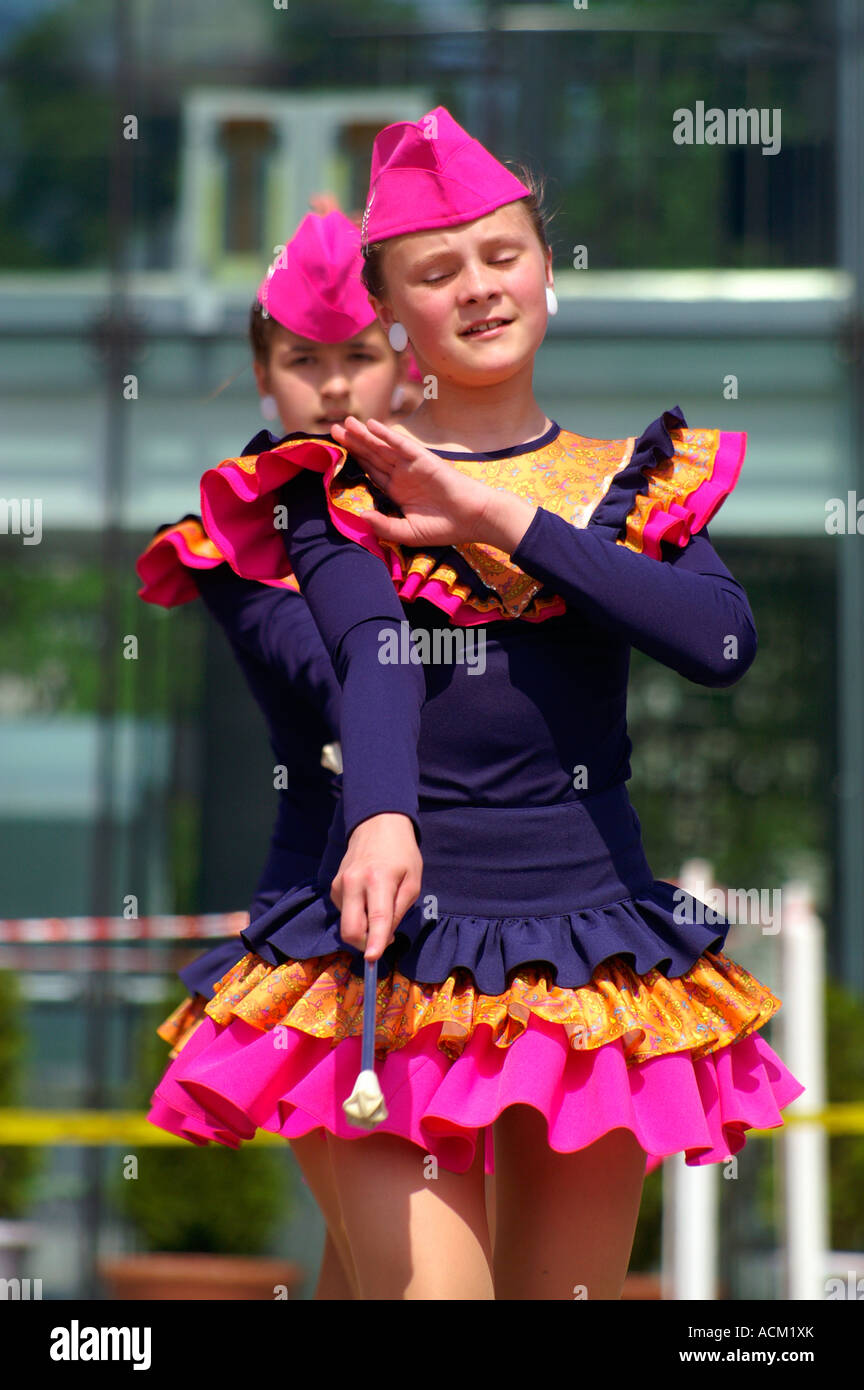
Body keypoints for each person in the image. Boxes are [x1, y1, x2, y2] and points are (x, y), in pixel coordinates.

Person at [149, 107, 806, 1300]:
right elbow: (371, 644)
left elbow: (717, 642)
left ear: (549, 270)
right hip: (382, 947)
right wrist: (383, 814)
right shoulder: (336, 482)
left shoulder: (635, 479)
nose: (482, 288)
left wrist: (503, 518)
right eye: (438, 273)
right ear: (395, 316)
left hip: (590, 951)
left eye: (504, 254)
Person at [140, 208, 413, 1300]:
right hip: (323, 919)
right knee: (397, 1270)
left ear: (406, 359)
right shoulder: (234, 526)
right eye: (306, 361)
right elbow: (332, 667)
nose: (336, 388)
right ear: (264, 372)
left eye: (362, 356)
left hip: (484, 911)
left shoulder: (454, 494)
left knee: (367, 1268)